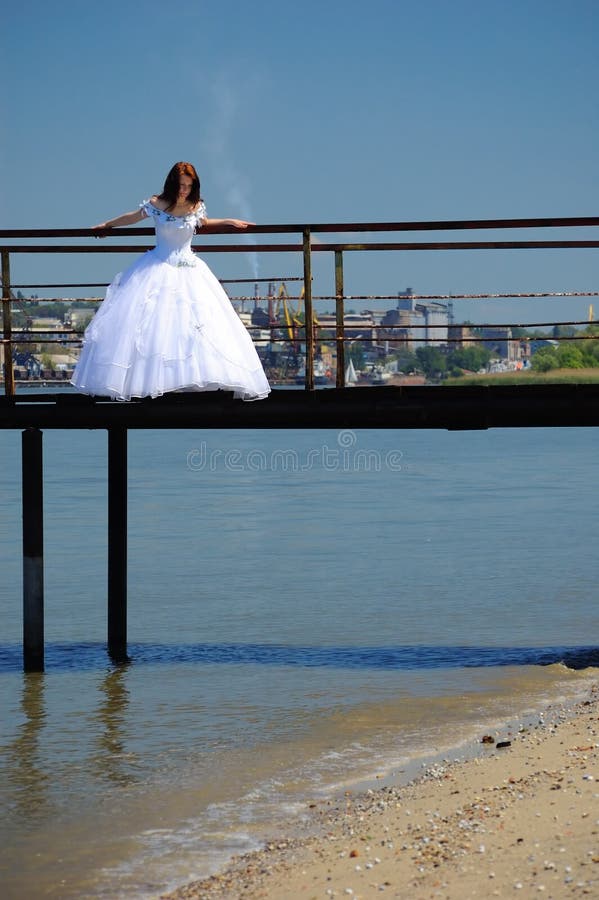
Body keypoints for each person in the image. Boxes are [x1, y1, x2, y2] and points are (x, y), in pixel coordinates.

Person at [71, 162, 270, 401]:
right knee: (154, 325)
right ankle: (151, 382)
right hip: (157, 266)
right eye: (181, 185)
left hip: (190, 268)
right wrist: (107, 225)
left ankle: (192, 379)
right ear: (172, 183)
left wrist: (228, 221)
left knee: (196, 324)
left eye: (189, 185)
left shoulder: (196, 206)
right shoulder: (157, 203)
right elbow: (133, 217)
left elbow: (204, 223)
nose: (185, 190)